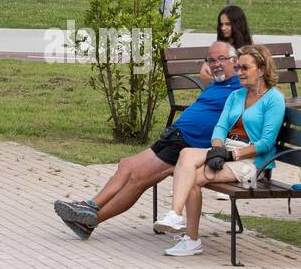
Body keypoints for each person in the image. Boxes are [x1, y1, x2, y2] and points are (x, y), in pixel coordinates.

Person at [53, 40, 241, 239]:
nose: (215, 64)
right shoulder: (219, 83)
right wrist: (211, 71)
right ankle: (90, 207)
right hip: (174, 136)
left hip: (189, 144)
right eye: (211, 60)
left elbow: (258, 90)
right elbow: (207, 75)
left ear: (235, 61)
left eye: (221, 59)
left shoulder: (240, 87)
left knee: (137, 179)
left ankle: (91, 220)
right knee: (127, 165)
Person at [156, 45, 287, 257]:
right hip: (227, 150)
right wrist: (217, 148)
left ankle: (190, 239)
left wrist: (231, 155)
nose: (240, 72)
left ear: (261, 70)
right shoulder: (236, 95)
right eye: (238, 67)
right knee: (186, 154)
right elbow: (220, 127)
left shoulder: (274, 99)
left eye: (245, 68)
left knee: (193, 177)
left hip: (253, 162)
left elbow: (266, 143)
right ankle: (175, 215)